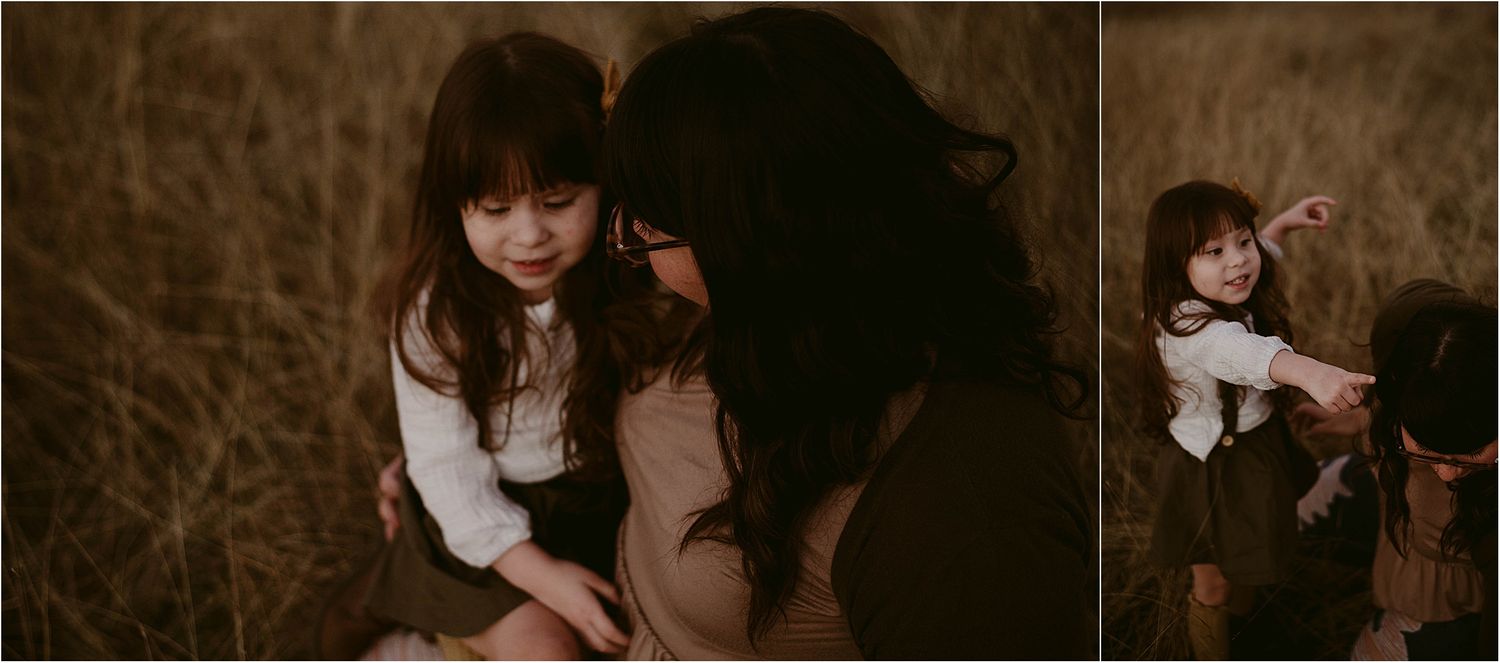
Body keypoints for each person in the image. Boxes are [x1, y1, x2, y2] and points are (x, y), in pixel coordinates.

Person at [598, 7, 1095, 659]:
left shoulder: (966, 518)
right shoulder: (746, 306)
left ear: (757, 247)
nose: (625, 241)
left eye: (650, 225)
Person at [330, 32, 646, 660]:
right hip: (480, 521)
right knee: (548, 650)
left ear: (603, 184)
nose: (529, 235)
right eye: (496, 209)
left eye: (558, 201)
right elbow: (446, 468)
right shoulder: (438, 311)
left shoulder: (630, 271)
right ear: (454, 205)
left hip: (598, 508)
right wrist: (545, 578)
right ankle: (413, 640)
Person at [1134, 179, 1372, 659]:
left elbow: (1256, 253)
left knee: (1250, 556)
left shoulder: (1224, 275)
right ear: (1175, 263)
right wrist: (1311, 373)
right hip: (1208, 466)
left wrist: (1281, 227)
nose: (1239, 260)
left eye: (1243, 240)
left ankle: (1241, 626)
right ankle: (1214, 650)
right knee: (1213, 580)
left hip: (1253, 449)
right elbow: (1238, 351)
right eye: (1215, 251)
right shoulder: (1187, 326)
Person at [1296, 280, 1496, 660]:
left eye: (1466, 454)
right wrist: (1362, 416)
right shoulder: (1419, 344)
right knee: (1284, 505)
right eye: (1425, 451)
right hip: (1394, 519)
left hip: (1449, 592)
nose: (1446, 474)